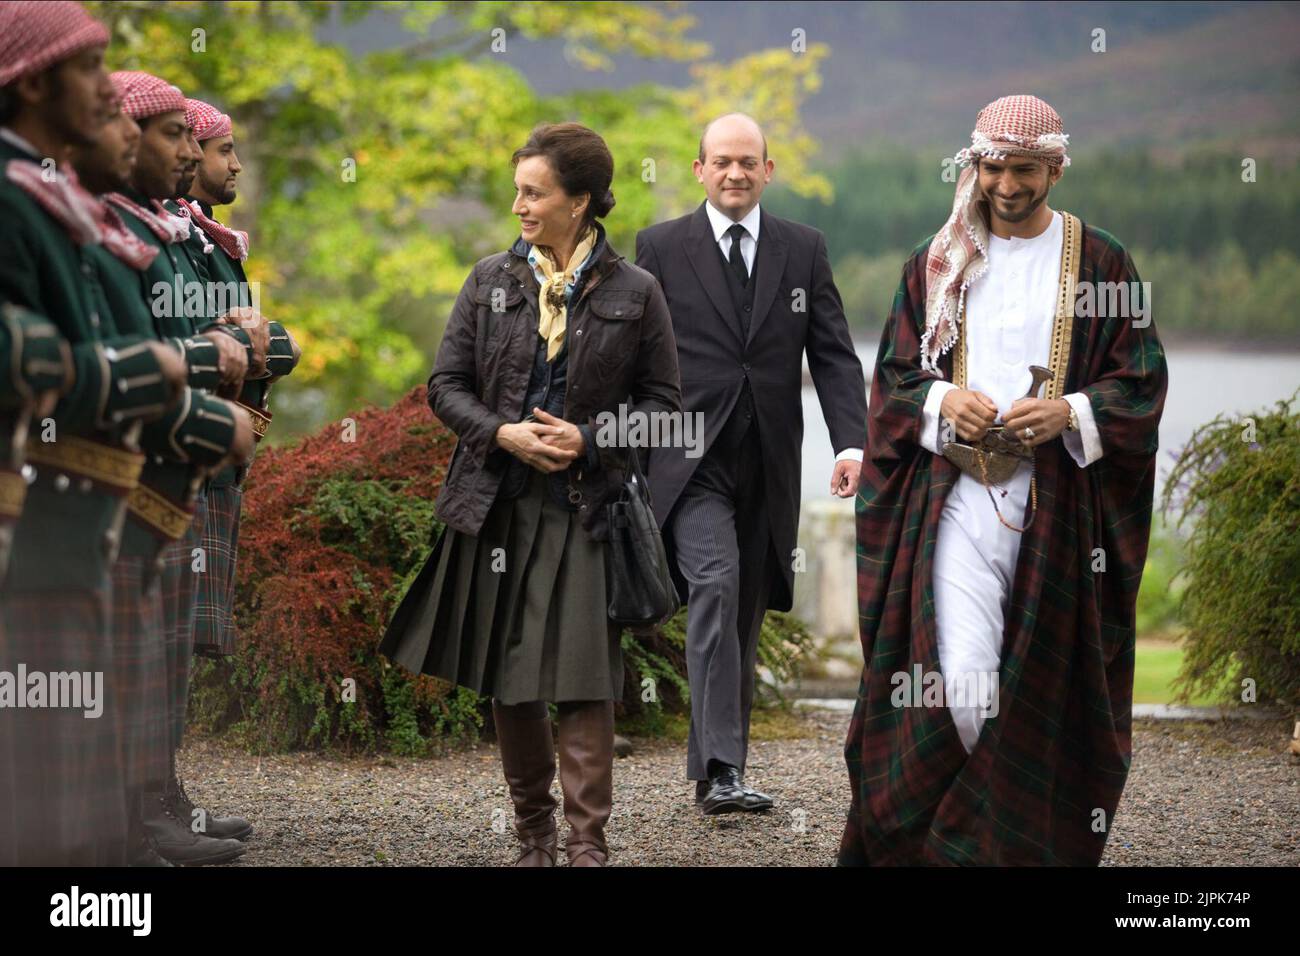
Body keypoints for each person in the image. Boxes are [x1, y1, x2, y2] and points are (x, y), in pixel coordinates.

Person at [839, 95, 1168, 866]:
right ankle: (942, 839)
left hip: (1060, 513)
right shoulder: (938, 260)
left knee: (1038, 687)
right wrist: (941, 398)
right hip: (953, 500)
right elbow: (890, 377)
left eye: (1024, 169)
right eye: (993, 167)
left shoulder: (1102, 262)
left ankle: (1006, 846)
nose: (1007, 184)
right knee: (961, 687)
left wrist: (1071, 412)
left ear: (1055, 167)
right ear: (974, 166)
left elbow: (1142, 381)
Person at [381, 122, 681, 867]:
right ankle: (534, 838)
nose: (518, 205)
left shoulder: (639, 292)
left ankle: (587, 846)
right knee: (510, 678)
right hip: (498, 506)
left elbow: (668, 408)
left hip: (590, 508)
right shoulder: (488, 281)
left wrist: (588, 437)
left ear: (578, 202)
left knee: (584, 677)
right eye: (518, 190)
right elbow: (444, 387)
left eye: (533, 192)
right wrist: (501, 433)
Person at [0, 0, 190, 865]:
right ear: (34, 79)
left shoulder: (46, 198)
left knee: (75, 826)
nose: (103, 91)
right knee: (46, 826)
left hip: (84, 532)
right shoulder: (14, 200)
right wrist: (145, 375)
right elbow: (41, 361)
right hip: (37, 540)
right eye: (90, 71)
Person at [635, 113, 866, 815]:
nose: (735, 172)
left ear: (768, 171)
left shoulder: (804, 249)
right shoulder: (661, 247)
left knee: (743, 610)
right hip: (687, 460)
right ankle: (723, 768)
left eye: (748, 161)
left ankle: (717, 771)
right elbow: (630, 350)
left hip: (767, 461)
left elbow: (830, 353)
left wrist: (851, 442)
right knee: (716, 582)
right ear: (699, 169)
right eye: (722, 161)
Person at [71, 89, 254, 865]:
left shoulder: (187, 235)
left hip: (189, 456)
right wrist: (218, 355)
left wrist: (254, 352)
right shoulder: (107, 227)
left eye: (193, 137)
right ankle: (128, 820)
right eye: (176, 135)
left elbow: (231, 336)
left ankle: (156, 800)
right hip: (136, 461)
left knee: (167, 646)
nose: (197, 154)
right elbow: (148, 350)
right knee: (129, 653)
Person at [179, 96, 301, 663]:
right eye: (224, 150)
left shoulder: (210, 238)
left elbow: (252, 344)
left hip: (214, 459)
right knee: (157, 644)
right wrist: (272, 343)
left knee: (179, 650)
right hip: (180, 455)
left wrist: (266, 344)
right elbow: (202, 338)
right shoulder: (171, 235)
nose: (237, 165)